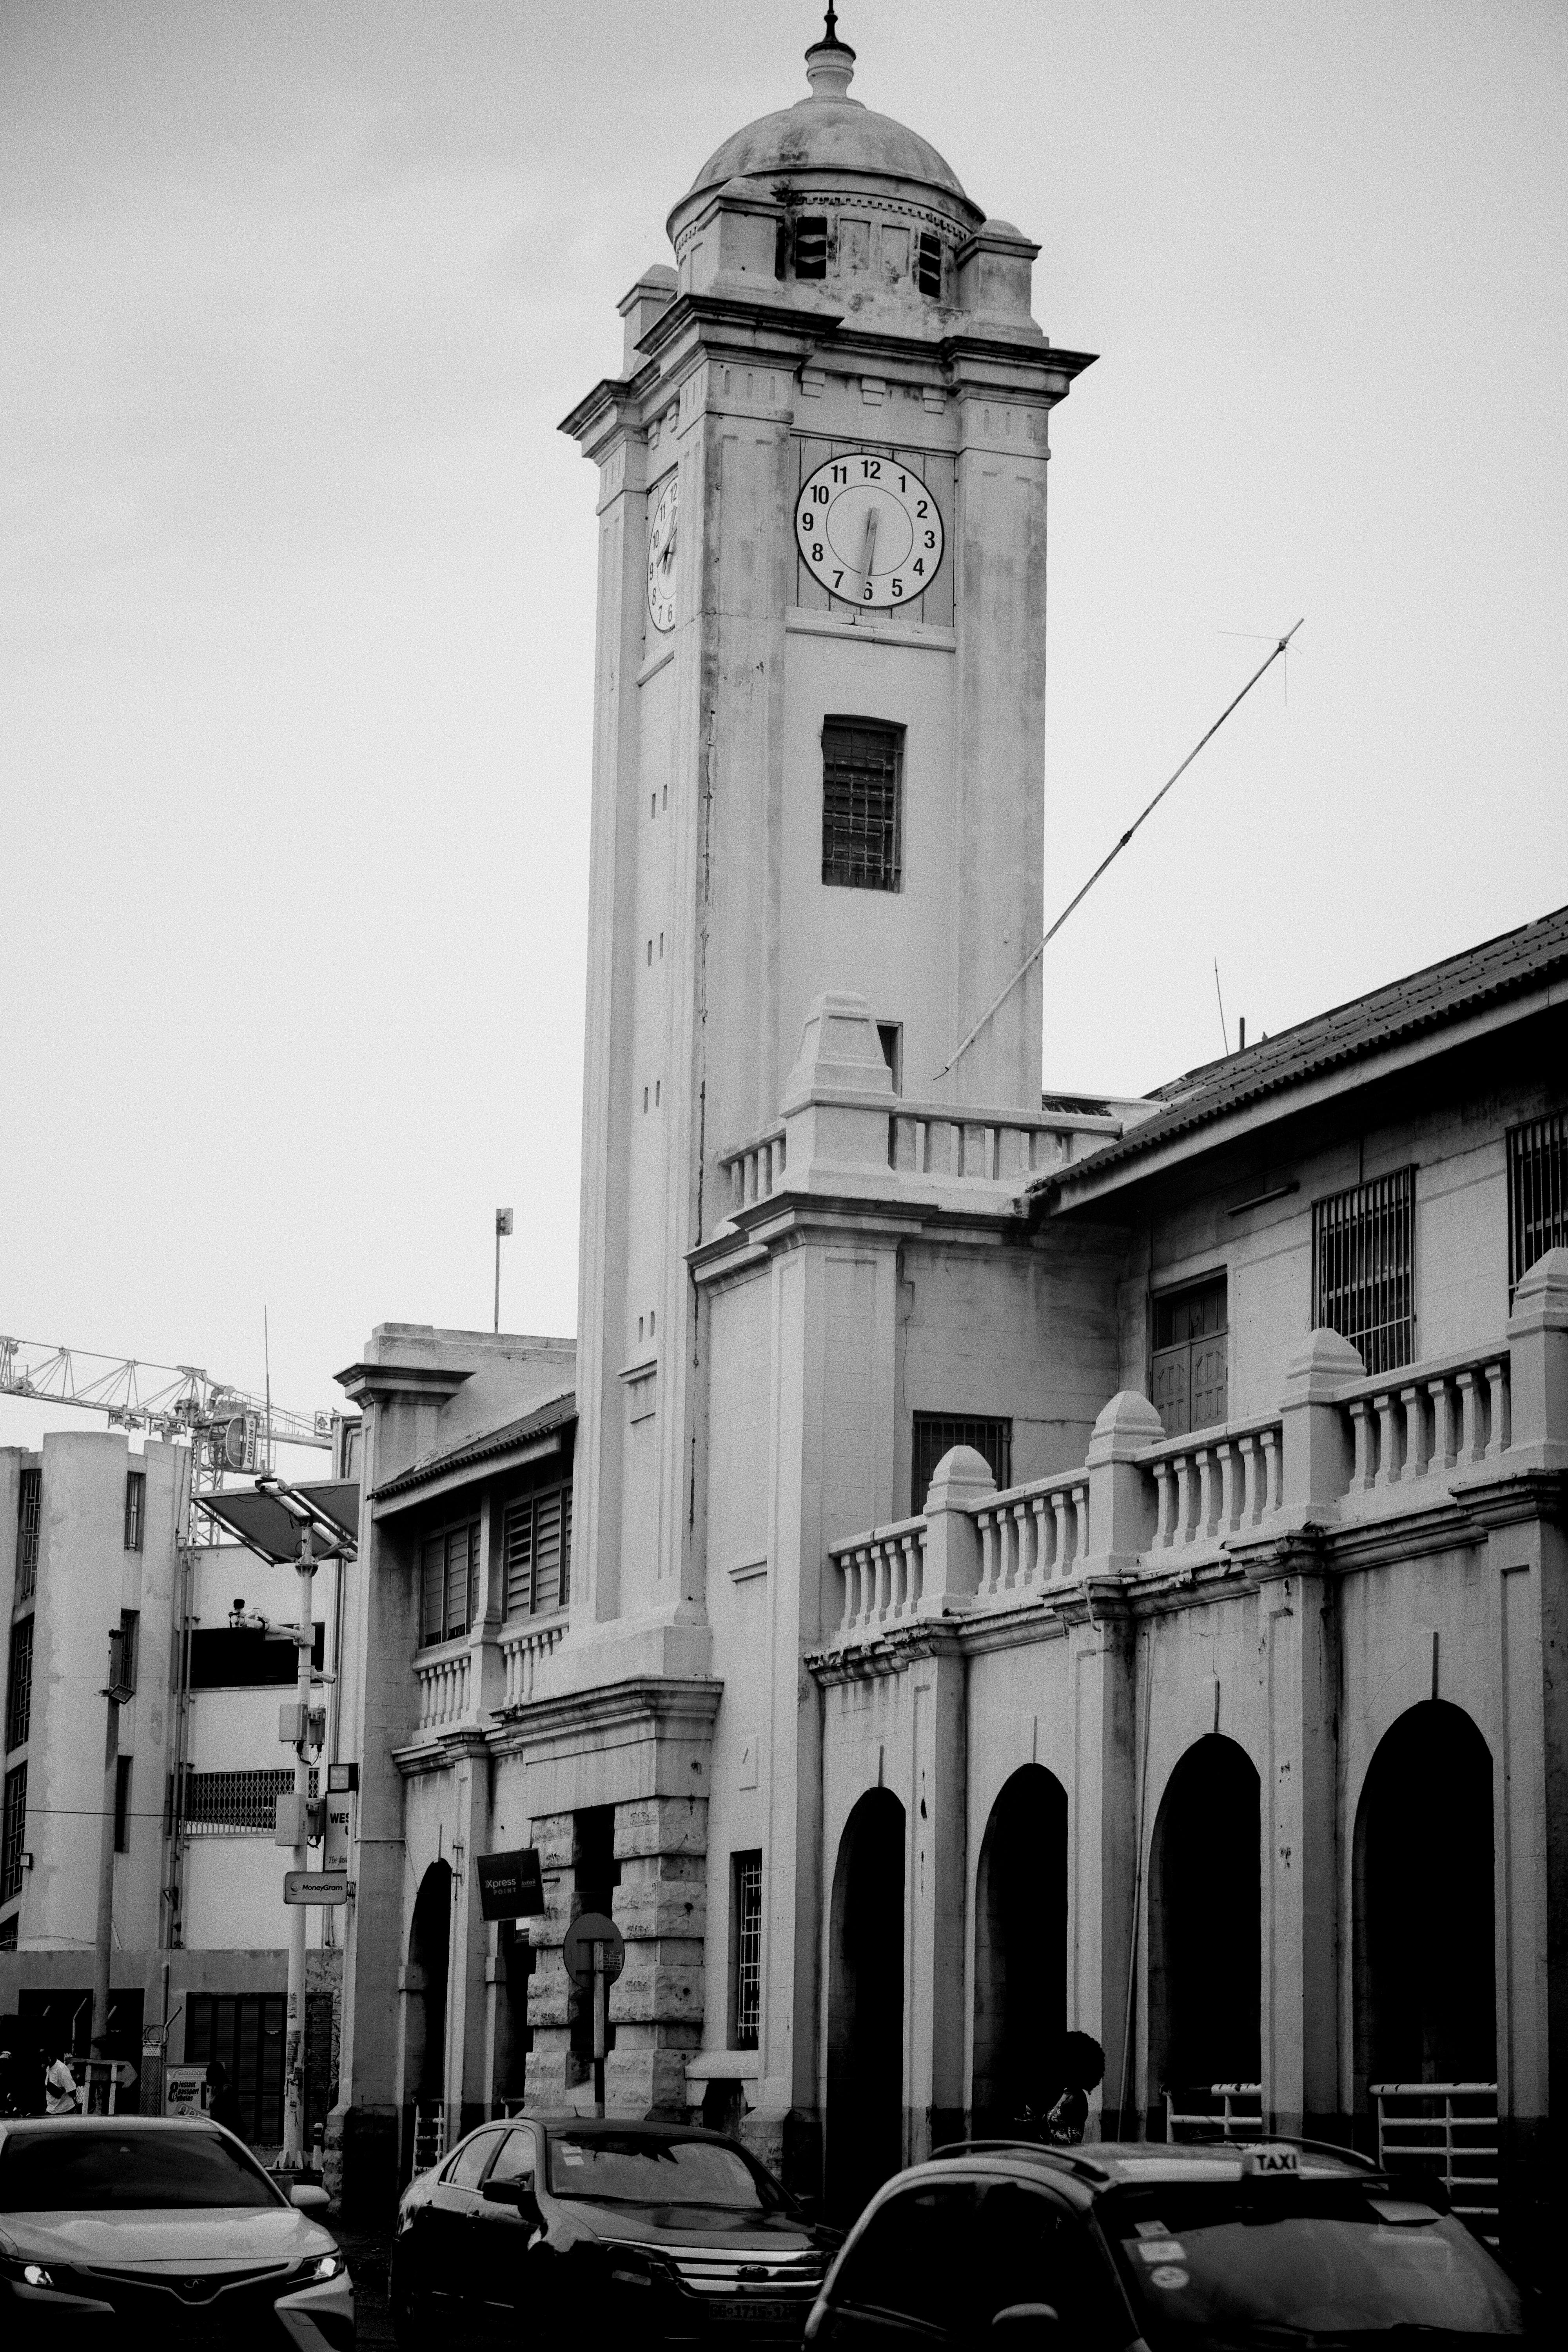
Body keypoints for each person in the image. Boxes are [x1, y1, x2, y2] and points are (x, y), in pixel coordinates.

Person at [207, 2058, 243, 2139]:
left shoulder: (226, 2090)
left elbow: (228, 2116)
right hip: (222, 2131)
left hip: (227, 2133)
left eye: (208, 2076)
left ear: (215, 2076)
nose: (207, 2080)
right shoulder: (217, 2089)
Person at [44, 2044, 79, 2116]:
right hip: (51, 2110)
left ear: (51, 2056)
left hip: (64, 2111)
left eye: (44, 2056)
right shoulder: (48, 2068)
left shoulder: (61, 2069)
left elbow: (72, 2090)